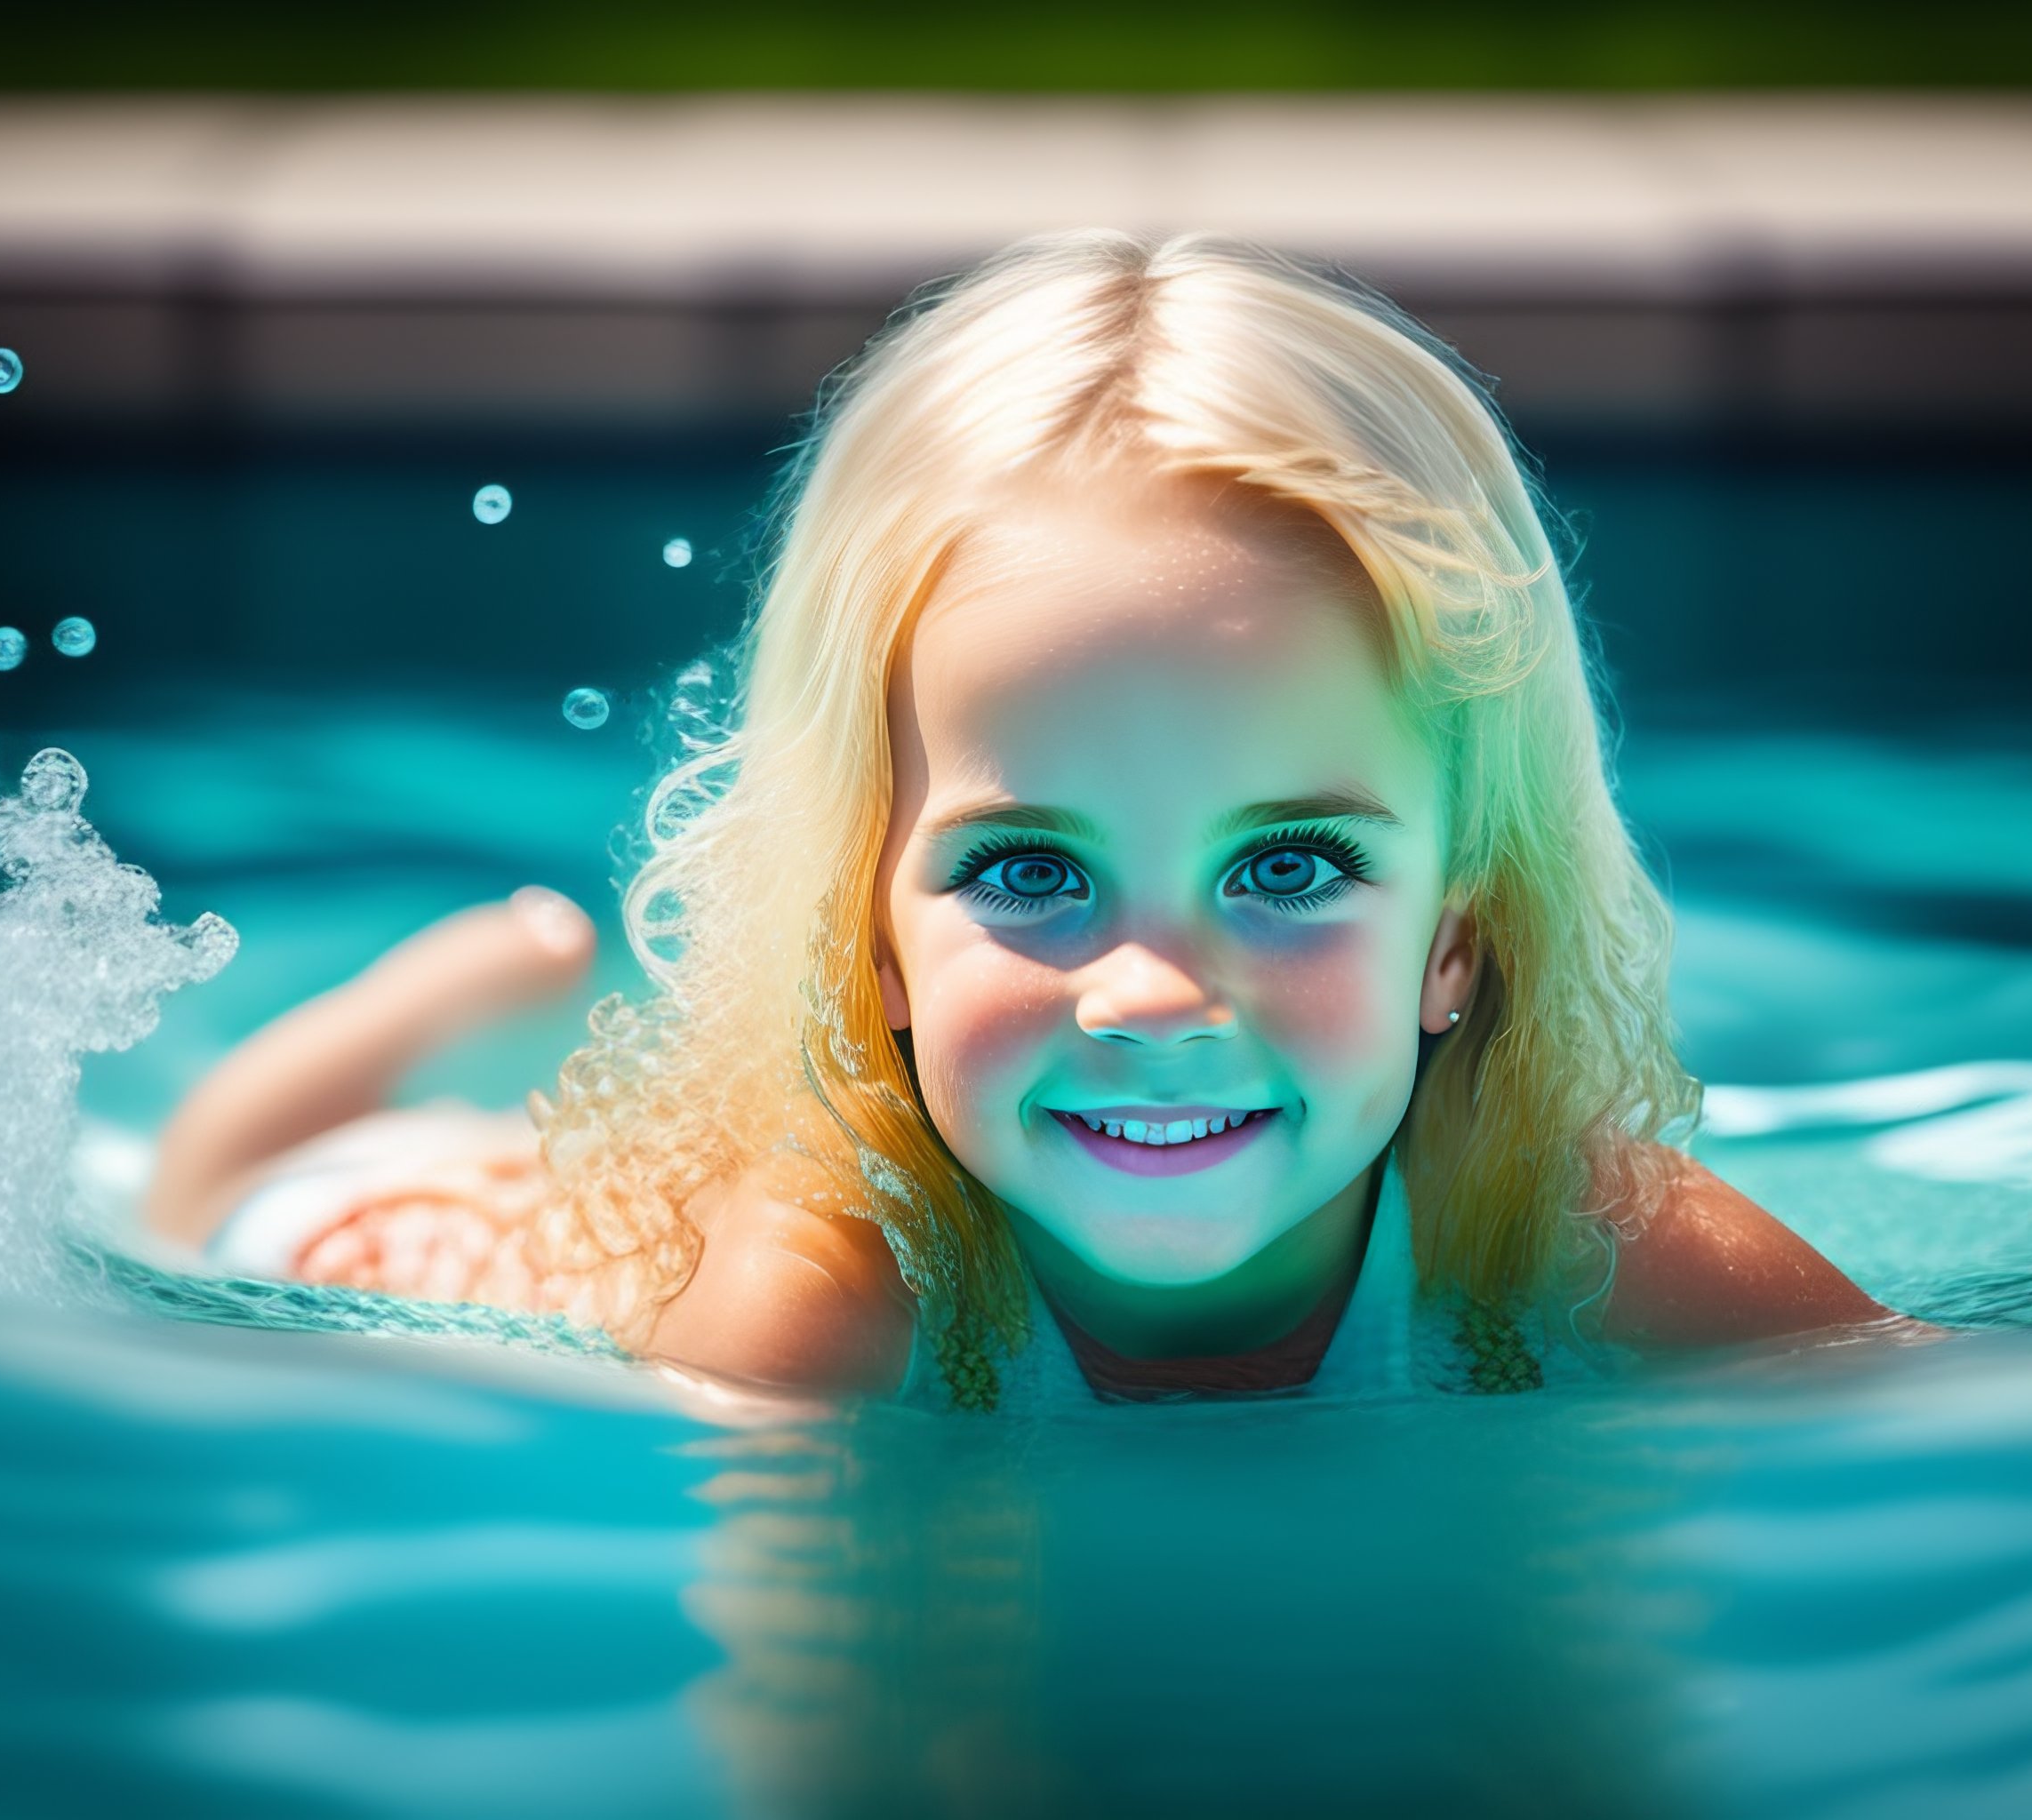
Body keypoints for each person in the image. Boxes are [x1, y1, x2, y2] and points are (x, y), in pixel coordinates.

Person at [144, 231, 1906, 1410]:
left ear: (1456, 931)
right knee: (237, 1170)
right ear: (869, 935)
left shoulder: (1576, 1244)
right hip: (394, 1231)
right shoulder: (816, 1315)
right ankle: (426, 1005)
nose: (1153, 990)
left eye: (1289, 867)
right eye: (1030, 870)